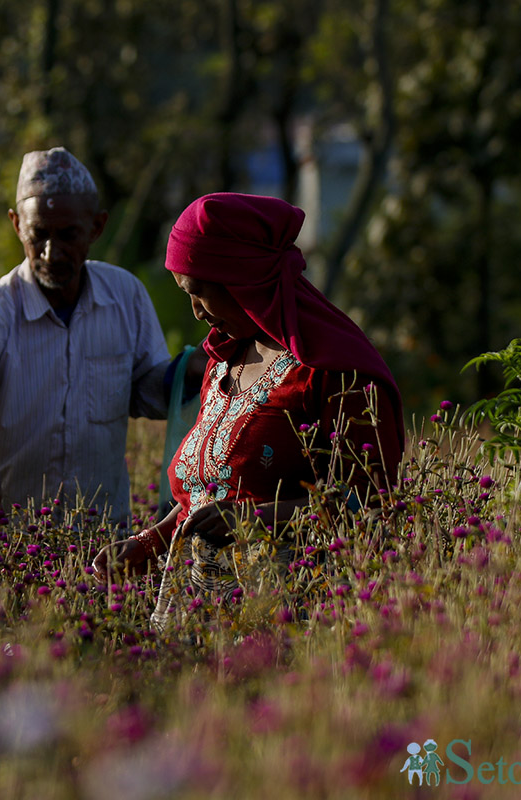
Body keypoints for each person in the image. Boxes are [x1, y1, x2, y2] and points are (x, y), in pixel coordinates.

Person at [92, 193, 404, 623]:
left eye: (201, 292)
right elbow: (208, 496)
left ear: (244, 279)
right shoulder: (224, 362)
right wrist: (150, 542)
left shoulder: (334, 374)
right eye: (187, 294)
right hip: (194, 611)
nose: (197, 312)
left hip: (286, 617)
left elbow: (370, 510)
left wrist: (256, 519)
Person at [0, 147, 190, 522]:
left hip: (98, 539)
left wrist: (189, 373)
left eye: (68, 235)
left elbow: (146, 390)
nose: (51, 252)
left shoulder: (125, 296)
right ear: (17, 225)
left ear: (96, 227)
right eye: (39, 235)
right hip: (4, 539)